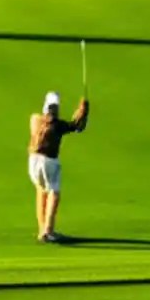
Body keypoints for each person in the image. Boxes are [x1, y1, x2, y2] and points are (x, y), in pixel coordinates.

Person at [27, 91, 89, 243]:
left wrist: (82, 113)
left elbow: (76, 125)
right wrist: (83, 111)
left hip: (32, 160)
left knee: (41, 191)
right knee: (54, 193)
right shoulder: (57, 125)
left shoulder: (35, 119)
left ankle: (42, 229)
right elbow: (76, 126)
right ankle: (49, 231)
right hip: (48, 162)